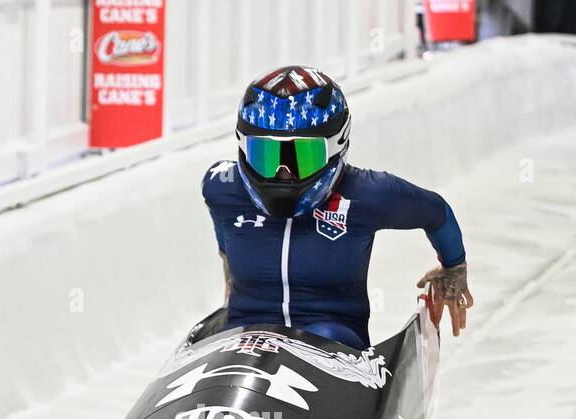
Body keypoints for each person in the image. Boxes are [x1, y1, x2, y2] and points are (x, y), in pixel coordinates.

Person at [201, 65, 473, 349]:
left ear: (336, 145)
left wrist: (454, 269)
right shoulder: (221, 188)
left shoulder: (370, 194)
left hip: (333, 340)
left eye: (302, 157)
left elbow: (435, 212)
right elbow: (225, 234)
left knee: (325, 337)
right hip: (244, 336)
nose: (284, 174)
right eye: (266, 156)